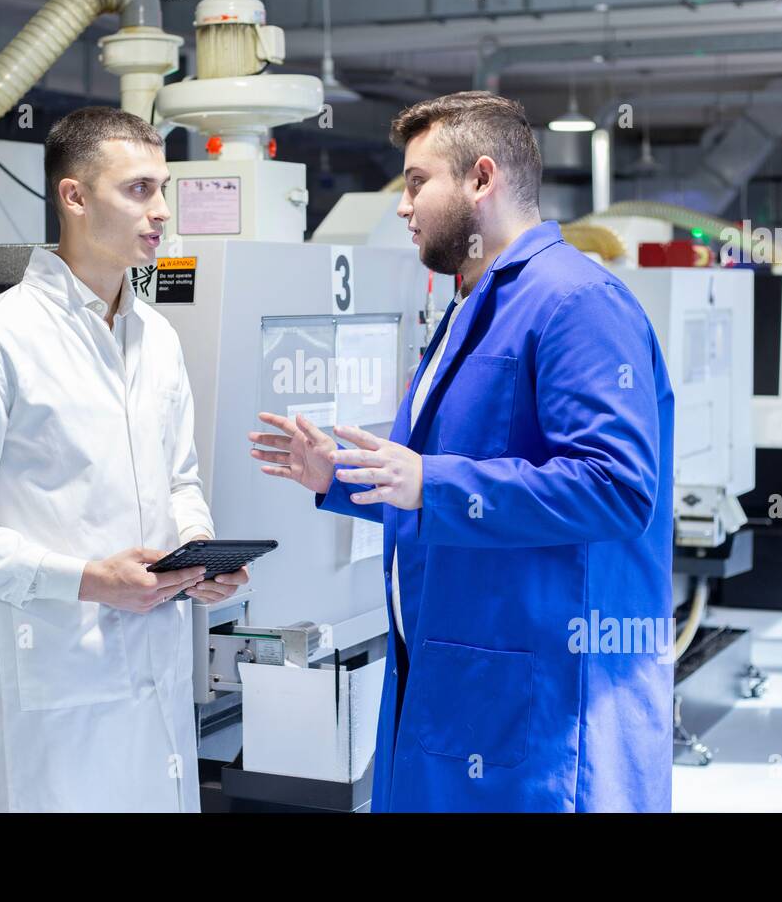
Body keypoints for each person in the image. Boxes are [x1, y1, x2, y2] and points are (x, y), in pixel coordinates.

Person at [250, 92, 674, 811]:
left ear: (482, 179)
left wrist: (428, 482)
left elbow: (618, 487)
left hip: (543, 709)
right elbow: (450, 481)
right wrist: (344, 477)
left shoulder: (574, 303)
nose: (403, 205)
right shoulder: (470, 306)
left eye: (417, 182)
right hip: (456, 678)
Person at [0, 106, 246, 812]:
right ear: (74, 196)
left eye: (163, 190)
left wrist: (200, 554)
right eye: (139, 190)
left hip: (158, 674)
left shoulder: (156, 339)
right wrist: (88, 580)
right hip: (60, 688)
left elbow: (179, 479)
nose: (160, 212)